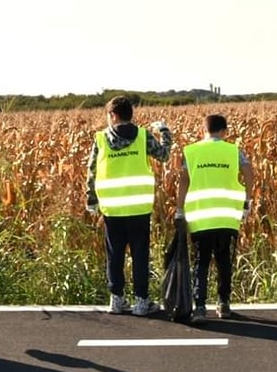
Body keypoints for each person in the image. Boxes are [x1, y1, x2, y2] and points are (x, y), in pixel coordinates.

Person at [85, 96, 172, 316]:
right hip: (138, 208)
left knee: (114, 255)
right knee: (140, 254)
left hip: (112, 209)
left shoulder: (101, 139)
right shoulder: (143, 136)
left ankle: (117, 300)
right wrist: (164, 131)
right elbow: (164, 155)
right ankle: (142, 302)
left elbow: (92, 170)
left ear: (113, 115)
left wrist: (91, 200)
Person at [175, 114, 255, 324]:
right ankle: (224, 303)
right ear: (224, 131)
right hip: (227, 217)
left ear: (204, 130)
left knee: (201, 262)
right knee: (224, 261)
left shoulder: (191, 151)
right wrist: (247, 200)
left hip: (201, 218)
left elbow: (183, 181)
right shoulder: (233, 151)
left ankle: (200, 307)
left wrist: (179, 210)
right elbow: (248, 170)